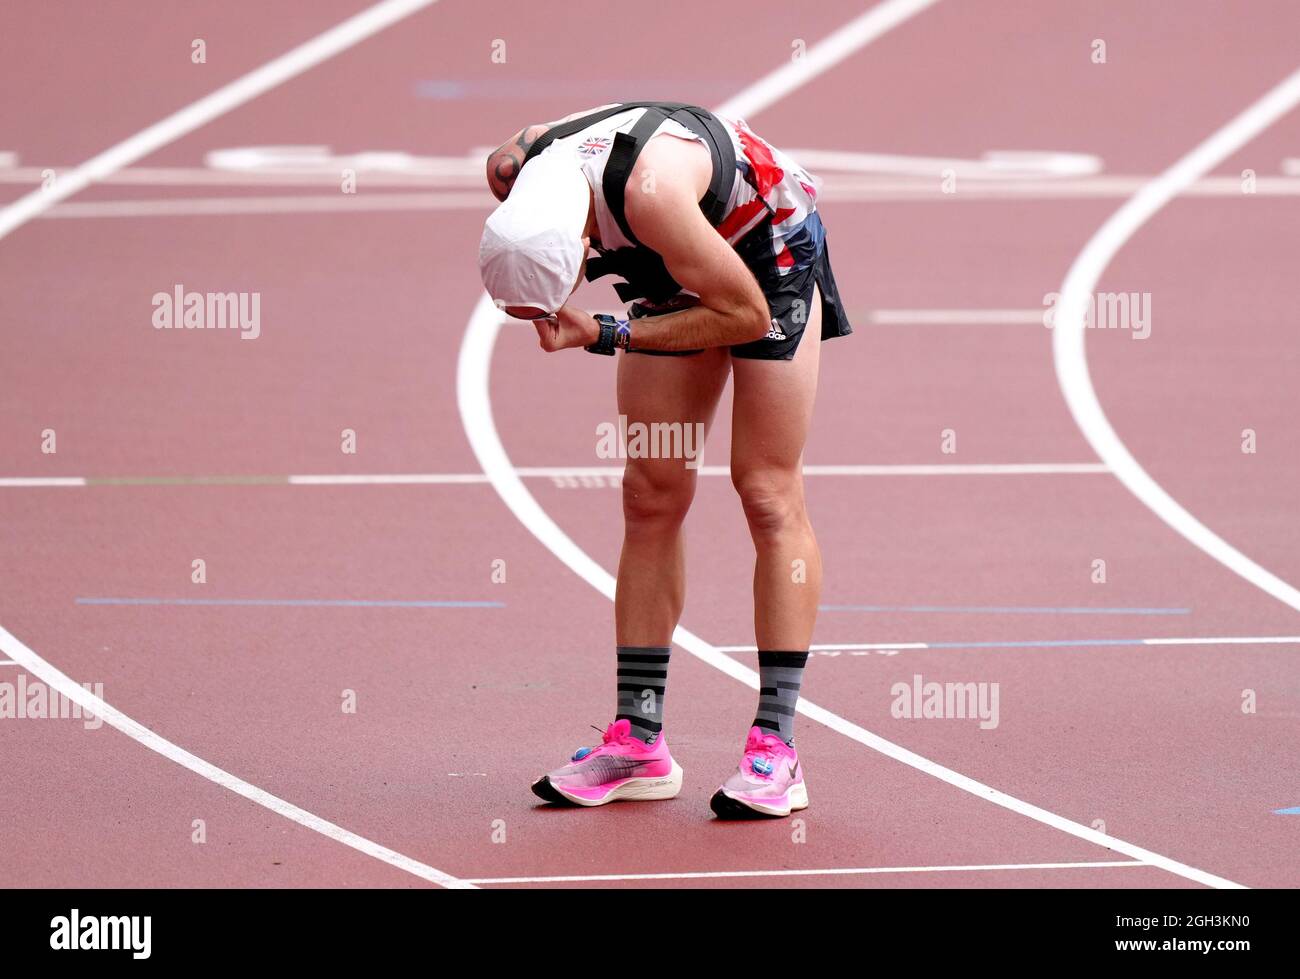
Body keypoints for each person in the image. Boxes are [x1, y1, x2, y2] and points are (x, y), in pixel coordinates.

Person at [479, 101, 852, 818]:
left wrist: (605, 331)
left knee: (765, 489)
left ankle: (776, 749)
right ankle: (639, 739)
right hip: (667, 259)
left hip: (761, 259)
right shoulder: (509, 174)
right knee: (651, 492)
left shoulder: (649, 198)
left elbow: (741, 314)